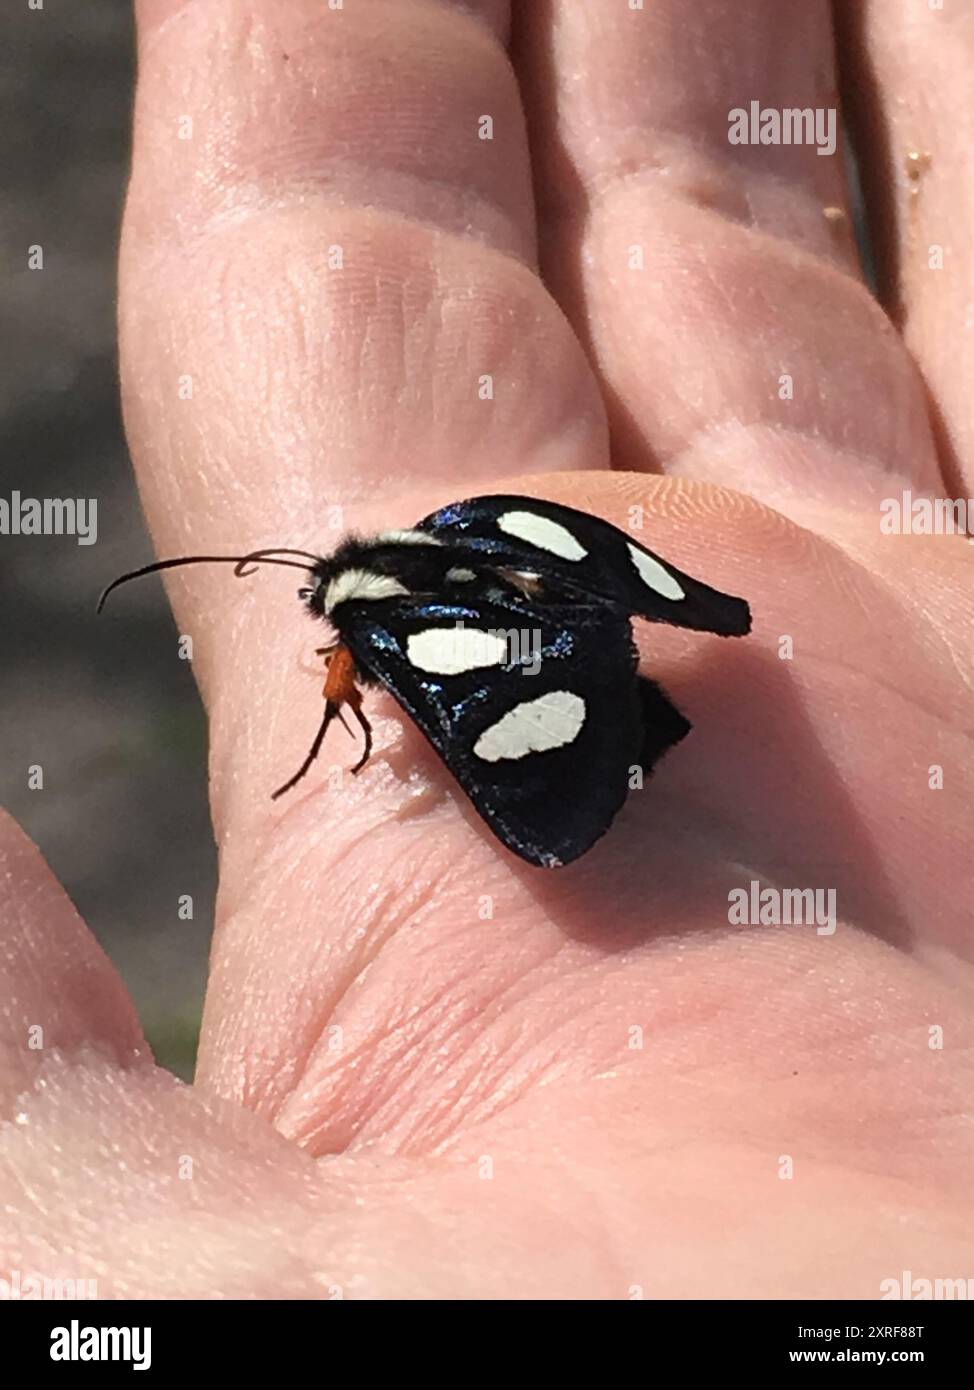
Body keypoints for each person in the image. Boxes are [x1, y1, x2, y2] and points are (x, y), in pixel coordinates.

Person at [2, 0, 972, 1298]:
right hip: (551, 606)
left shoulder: (378, 617)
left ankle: (599, 719)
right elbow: (549, 564)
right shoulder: (445, 532)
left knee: (523, 737)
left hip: (562, 693)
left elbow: (400, 671)